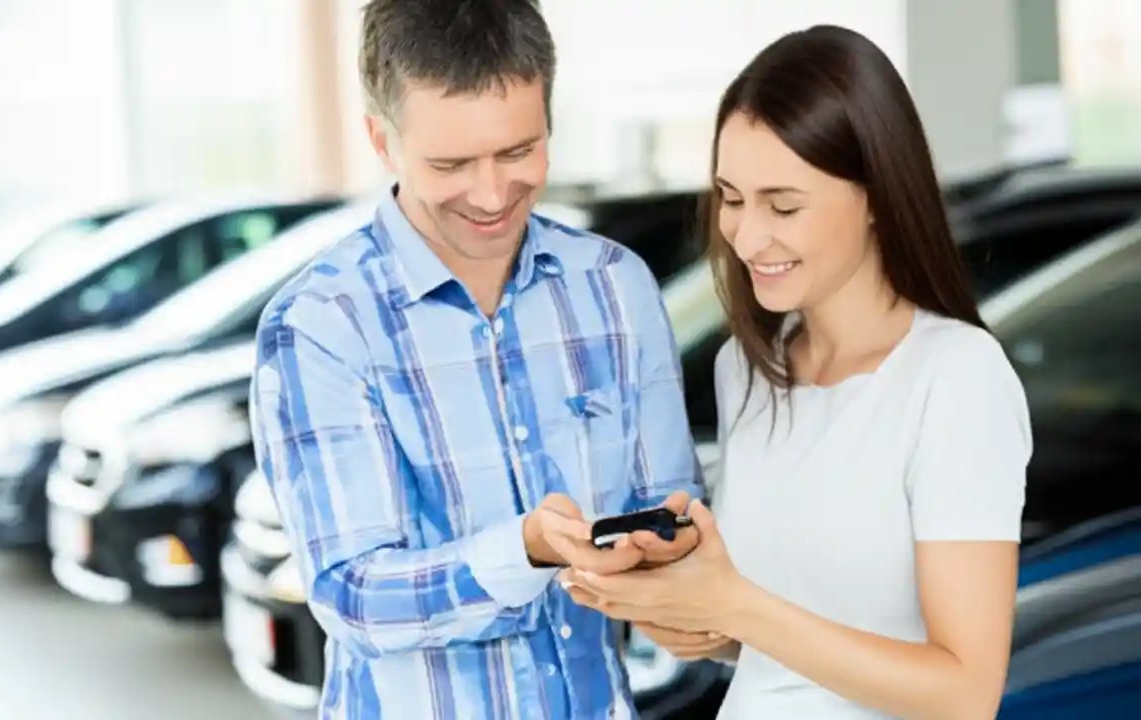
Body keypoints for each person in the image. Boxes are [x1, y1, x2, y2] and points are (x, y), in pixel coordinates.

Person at [563, 25, 1032, 720]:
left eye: (783, 205)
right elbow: (786, 642)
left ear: (875, 193)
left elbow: (963, 692)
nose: (748, 237)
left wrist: (737, 605)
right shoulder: (746, 371)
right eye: (731, 197)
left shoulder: (957, 379)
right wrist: (704, 625)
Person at [249, 1, 704, 717]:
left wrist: (659, 559)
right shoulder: (320, 326)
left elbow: (672, 513)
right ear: (381, 140)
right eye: (452, 163)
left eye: (519, 152)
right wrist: (524, 552)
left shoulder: (616, 287)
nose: (492, 195)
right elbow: (354, 597)